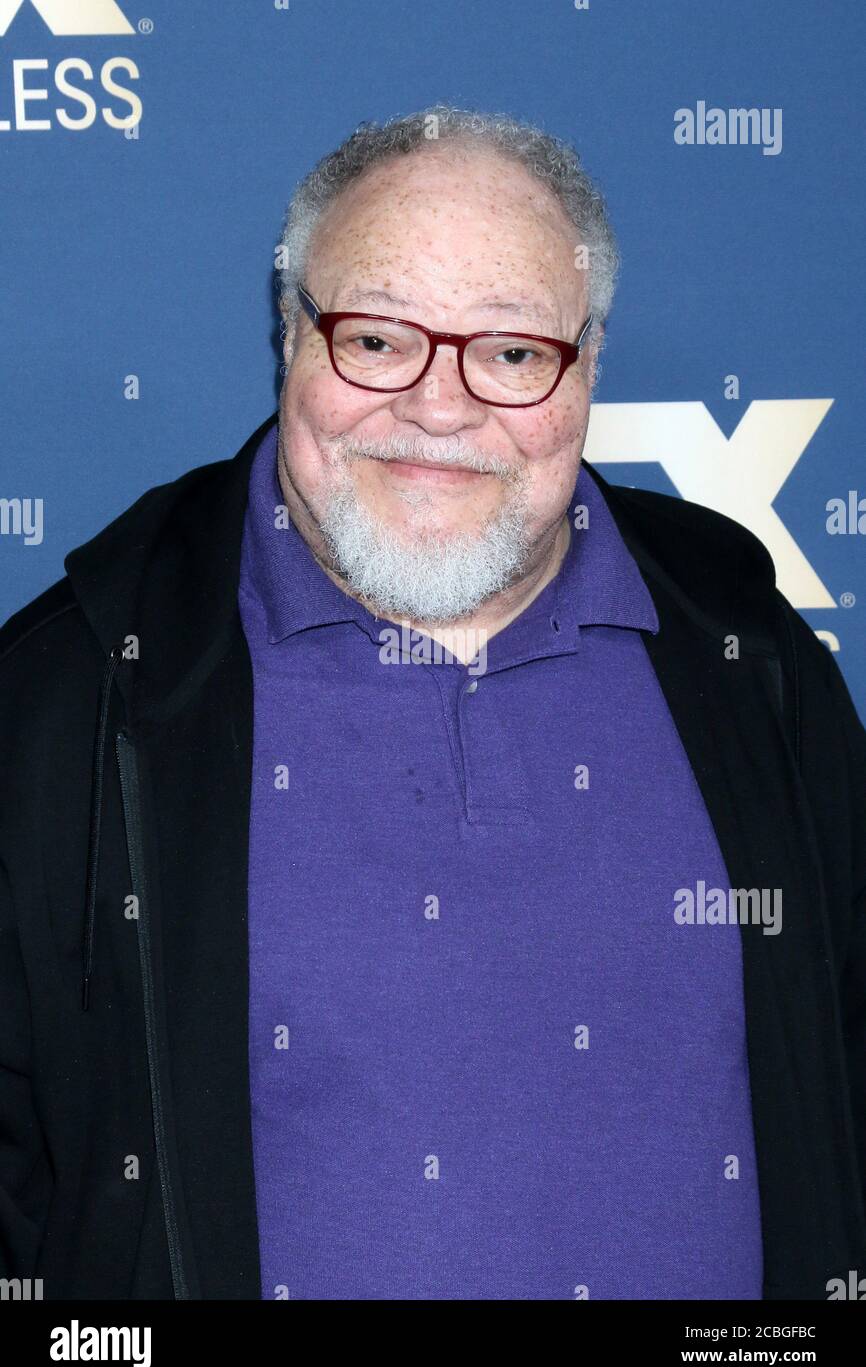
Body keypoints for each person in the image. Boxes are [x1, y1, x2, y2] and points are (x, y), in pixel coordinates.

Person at [1, 104, 864, 1301]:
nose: (440, 406)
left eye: (511, 351)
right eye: (376, 338)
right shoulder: (70, 694)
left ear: (589, 362)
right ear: (290, 334)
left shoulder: (745, 652)